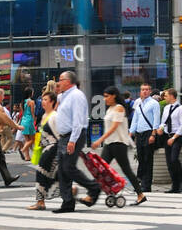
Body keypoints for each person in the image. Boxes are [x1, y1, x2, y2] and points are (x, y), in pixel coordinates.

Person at [52, 70, 101, 213]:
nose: (58, 82)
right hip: (63, 136)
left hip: (74, 136)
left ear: (68, 81)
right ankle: (67, 202)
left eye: (61, 80)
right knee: (62, 170)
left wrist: (72, 141)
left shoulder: (76, 96)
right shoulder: (63, 96)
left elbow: (78, 121)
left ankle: (94, 187)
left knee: (68, 168)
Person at [90, 88, 147, 205]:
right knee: (101, 169)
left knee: (126, 170)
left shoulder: (119, 108)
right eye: (104, 96)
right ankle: (91, 196)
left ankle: (140, 194)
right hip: (109, 144)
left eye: (107, 96)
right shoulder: (110, 109)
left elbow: (114, 127)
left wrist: (99, 140)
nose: (105, 99)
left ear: (114, 96)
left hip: (119, 144)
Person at [28, 91, 61, 211]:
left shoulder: (54, 116)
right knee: (54, 175)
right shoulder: (44, 116)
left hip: (52, 148)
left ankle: (40, 202)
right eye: (42, 99)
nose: (43, 102)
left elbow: (59, 135)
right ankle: (70, 191)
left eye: (46, 100)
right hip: (45, 148)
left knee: (41, 172)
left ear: (52, 102)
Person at [128, 83, 161, 193]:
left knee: (148, 159)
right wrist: (130, 133)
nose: (145, 91)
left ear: (150, 91)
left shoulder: (154, 103)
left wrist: (153, 134)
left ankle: (146, 185)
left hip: (149, 133)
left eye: (147, 90)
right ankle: (140, 183)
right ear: (140, 91)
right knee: (141, 158)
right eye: (143, 90)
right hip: (139, 133)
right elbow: (135, 120)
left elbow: (156, 120)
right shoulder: (139, 105)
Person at [158, 88, 182, 192]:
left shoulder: (181, 109)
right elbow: (163, 121)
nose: (164, 97)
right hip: (167, 135)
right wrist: (161, 128)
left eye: (166, 95)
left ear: (172, 96)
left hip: (177, 136)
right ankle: (175, 186)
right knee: (169, 162)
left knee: (174, 159)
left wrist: (174, 137)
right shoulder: (166, 108)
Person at [17, 87, 37, 159]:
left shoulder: (22, 102)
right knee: (32, 139)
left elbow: (22, 113)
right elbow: (32, 112)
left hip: (23, 121)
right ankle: (23, 150)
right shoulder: (31, 102)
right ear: (31, 93)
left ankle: (27, 157)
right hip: (29, 121)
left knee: (27, 140)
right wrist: (34, 120)